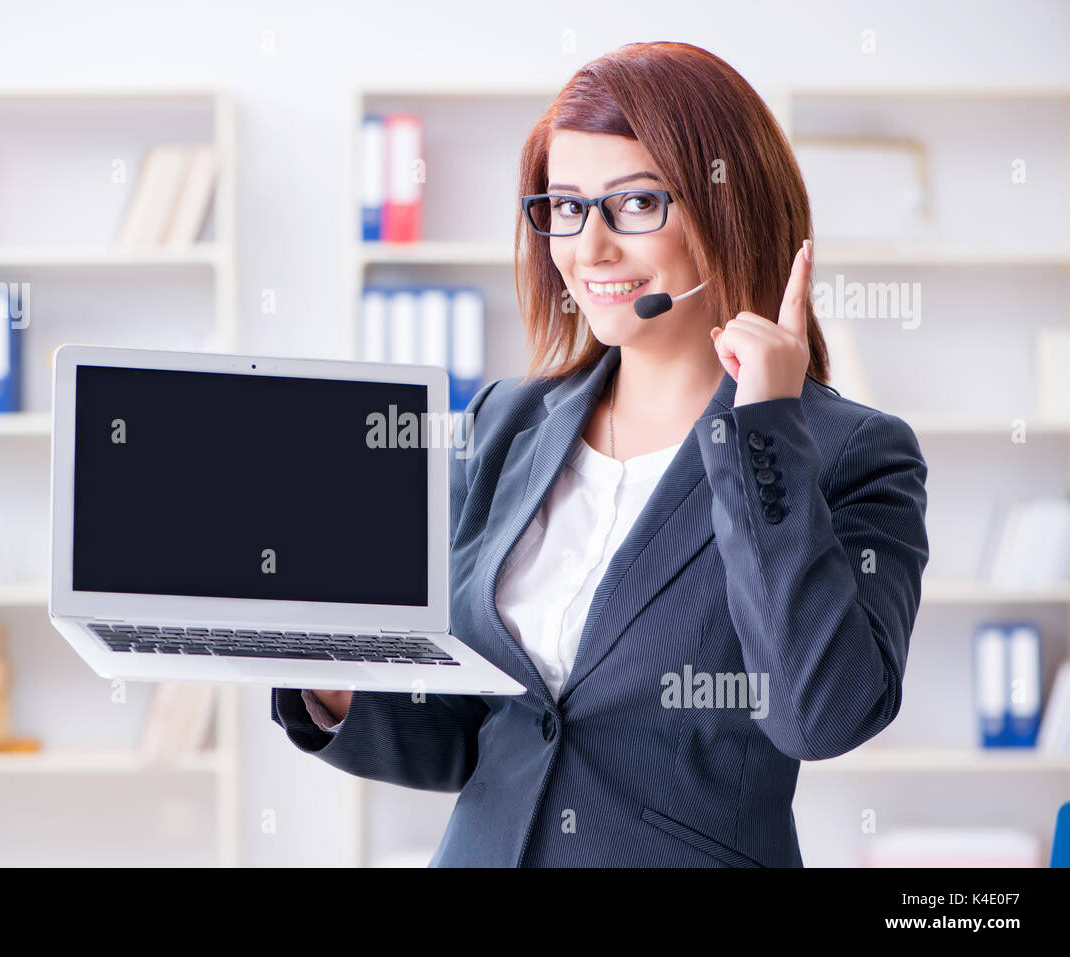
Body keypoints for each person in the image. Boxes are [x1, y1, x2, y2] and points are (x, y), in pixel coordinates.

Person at [271, 40, 929, 867]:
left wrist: (763, 428)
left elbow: (819, 713)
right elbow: (472, 731)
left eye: (636, 204)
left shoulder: (848, 454)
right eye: (567, 206)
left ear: (732, 209)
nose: (589, 249)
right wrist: (329, 678)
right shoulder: (507, 422)